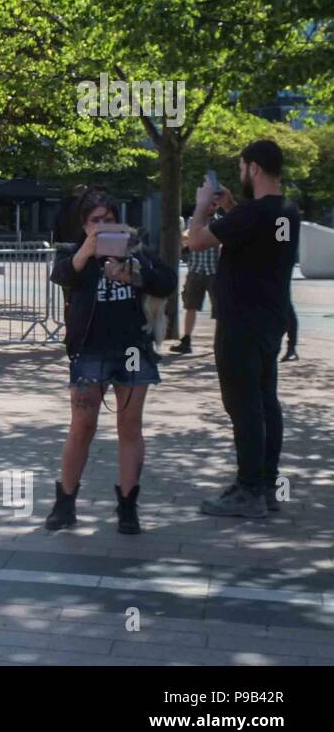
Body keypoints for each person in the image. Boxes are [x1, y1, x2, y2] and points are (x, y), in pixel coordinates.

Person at [45, 189, 176, 534]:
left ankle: (128, 507)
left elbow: (168, 281)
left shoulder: (138, 250)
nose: (102, 227)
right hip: (89, 350)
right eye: (95, 221)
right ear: (84, 224)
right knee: (81, 425)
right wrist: (87, 250)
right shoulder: (77, 254)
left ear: (118, 219)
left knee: (130, 426)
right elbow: (62, 275)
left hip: (132, 349)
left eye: (108, 219)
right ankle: (65, 502)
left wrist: (135, 276)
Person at [188, 139, 301, 517]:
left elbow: (196, 240)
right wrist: (233, 210)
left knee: (243, 405)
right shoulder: (286, 212)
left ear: (253, 168)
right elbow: (266, 241)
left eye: (241, 167)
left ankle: (248, 489)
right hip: (271, 320)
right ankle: (266, 485)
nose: (240, 173)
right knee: (266, 402)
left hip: (240, 321)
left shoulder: (254, 215)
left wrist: (203, 207)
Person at [169, 223, 219, 355]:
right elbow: (185, 239)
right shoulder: (195, 222)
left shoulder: (220, 222)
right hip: (196, 269)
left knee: (220, 308)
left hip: (215, 270)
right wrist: (185, 236)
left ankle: (221, 340)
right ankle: (186, 340)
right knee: (190, 305)